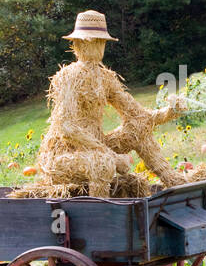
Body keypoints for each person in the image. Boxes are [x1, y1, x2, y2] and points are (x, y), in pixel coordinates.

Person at [29, 10, 189, 197]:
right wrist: (110, 155)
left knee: (137, 129)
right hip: (65, 157)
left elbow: (137, 115)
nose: (99, 47)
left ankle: (175, 181)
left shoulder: (105, 77)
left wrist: (169, 112)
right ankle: (101, 215)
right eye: (96, 41)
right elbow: (67, 127)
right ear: (79, 43)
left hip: (98, 148)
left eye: (101, 42)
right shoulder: (68, 77)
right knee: (102, 162)